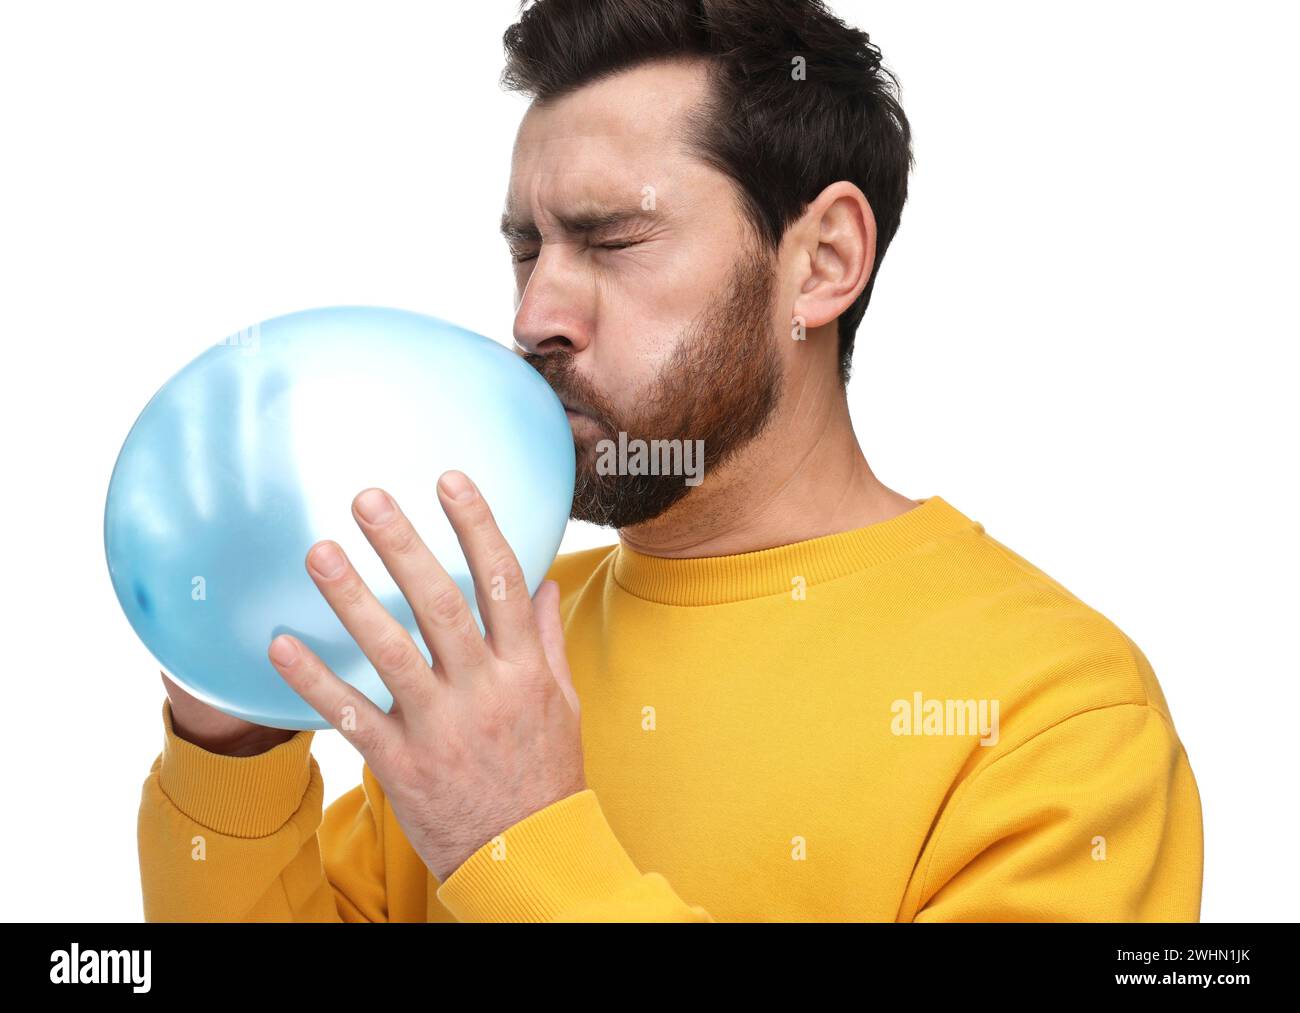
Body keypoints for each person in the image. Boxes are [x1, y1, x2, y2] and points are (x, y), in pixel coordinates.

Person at [139, 0, 1202, 922]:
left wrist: (516, 841)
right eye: (527, 247)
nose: (533, 314)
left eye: (611, 241)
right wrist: (232, 738)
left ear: (822, 260)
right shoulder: (486, 636)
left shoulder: (1061, 713)